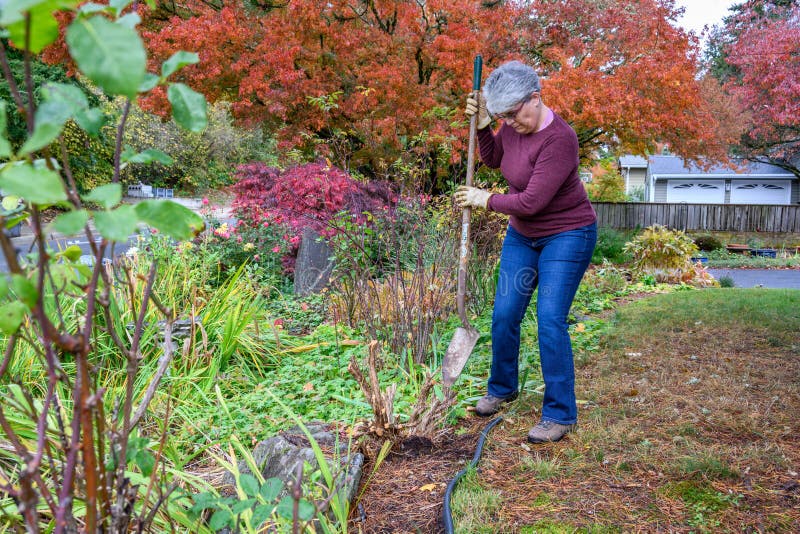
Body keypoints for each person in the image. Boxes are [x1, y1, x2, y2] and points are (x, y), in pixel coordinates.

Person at [455, 60, 597, 443]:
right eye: (503, 117)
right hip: (523, 236)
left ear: (536, 98)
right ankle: (502, 389)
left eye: (514, 115)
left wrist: (486, 199)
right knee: (504, 313)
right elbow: (494, 159)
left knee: (549, 317)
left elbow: (532, 201)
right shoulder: (512, 124)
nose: (511, 123)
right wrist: (484, 124)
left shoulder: (560, 139)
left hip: (568, 234)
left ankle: (560, 414)